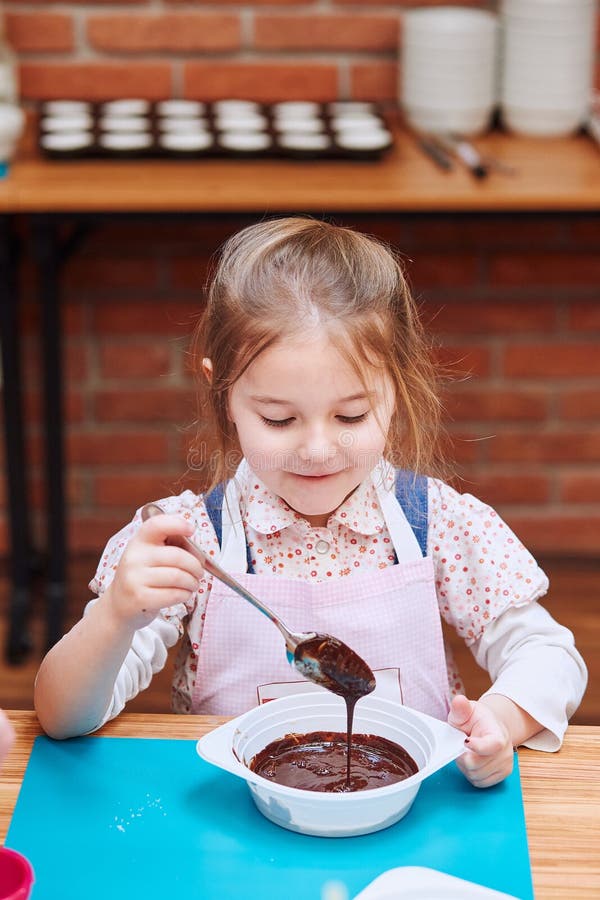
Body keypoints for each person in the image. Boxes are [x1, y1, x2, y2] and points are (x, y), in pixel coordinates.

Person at [34, 217, 586, 788]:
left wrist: (500, 719)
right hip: (235, 833)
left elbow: (549, 655)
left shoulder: (437, 523)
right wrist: (117, 615)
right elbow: (62, 716)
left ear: (394, 392)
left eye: (351, 415)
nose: (318, 450)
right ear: (223, 391)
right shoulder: (189, 541)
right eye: (279, 418)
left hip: (407, 825)